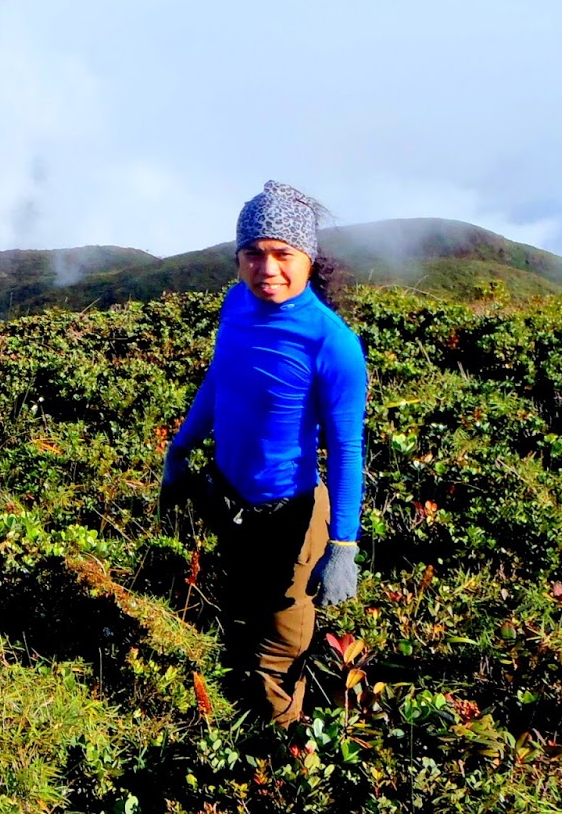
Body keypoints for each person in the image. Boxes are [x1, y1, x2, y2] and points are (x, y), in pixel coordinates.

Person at [160, 180, 368, 725]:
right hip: (231, 499)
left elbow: (347, 449)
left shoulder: (332, 343)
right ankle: (241, 702)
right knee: (242, 607)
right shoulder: (235, 305)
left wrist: (343, 544)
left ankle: (281, 749)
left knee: (279, 642)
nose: (267, 269)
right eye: (253, 254)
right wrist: (180, 449)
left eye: (283, 254)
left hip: (292, 517)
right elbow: (218, 382)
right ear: (237, 260)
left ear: (309, 258)